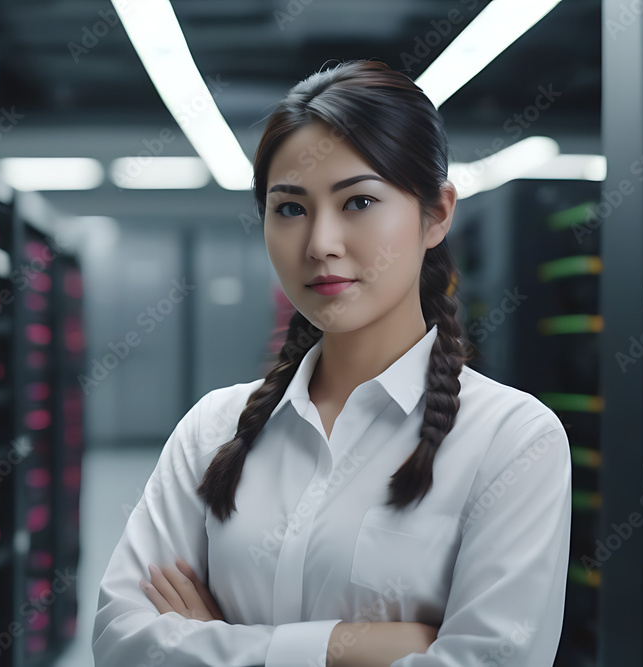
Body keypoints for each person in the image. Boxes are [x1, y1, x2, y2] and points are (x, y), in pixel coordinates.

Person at [92, 59, 572, 667]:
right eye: (290, 208)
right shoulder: (212, 428)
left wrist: (216, 643)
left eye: (359, 202)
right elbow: (120, 642)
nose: (320, 243)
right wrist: (363, 648)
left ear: (437, 214)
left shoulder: (512, 439)